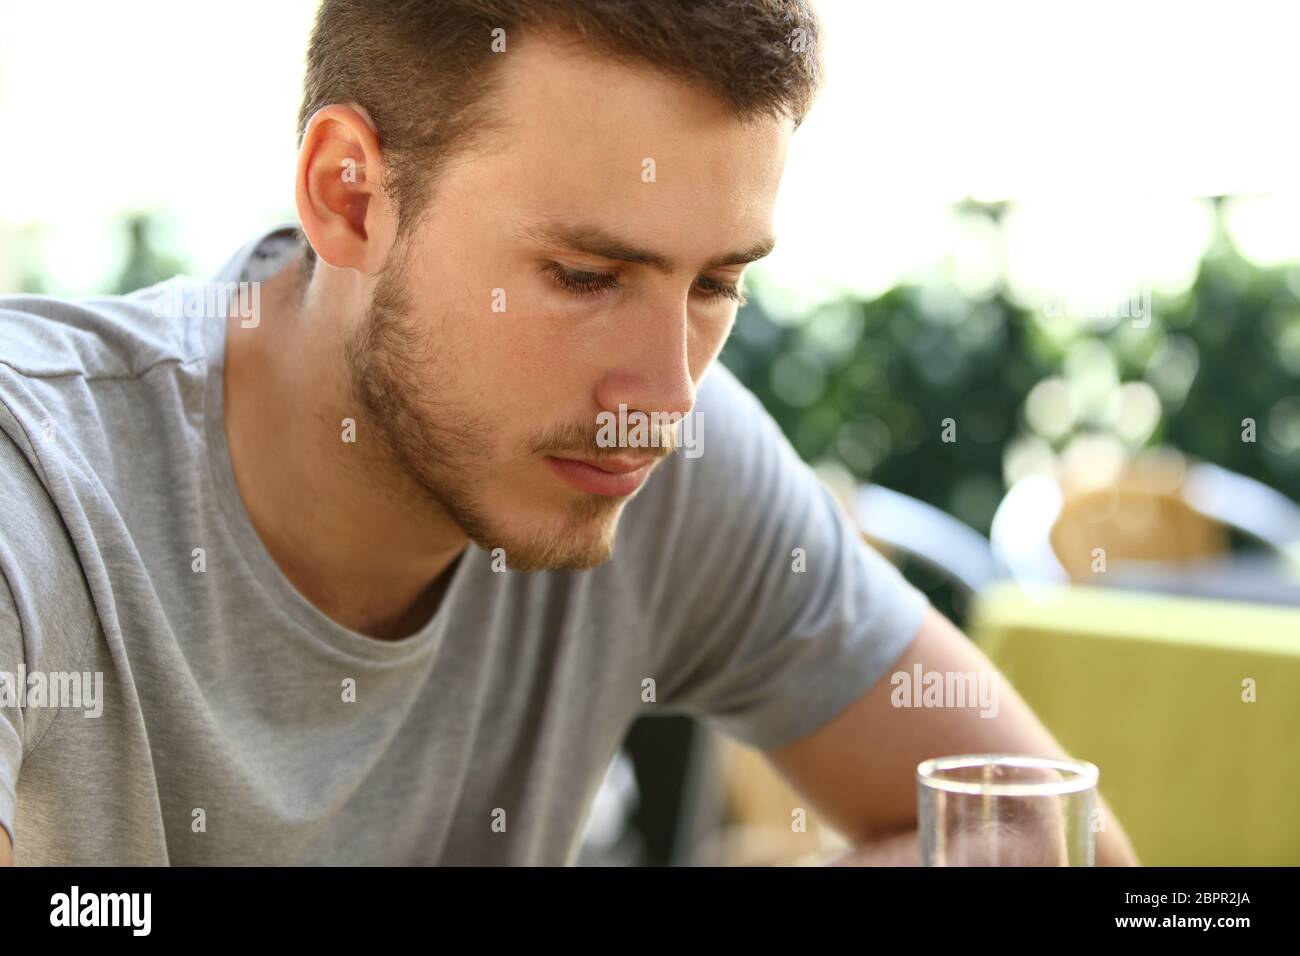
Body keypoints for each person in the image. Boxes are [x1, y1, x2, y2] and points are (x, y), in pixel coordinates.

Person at [0, 0, 1136, 866]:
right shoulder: (35, 487)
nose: (664, 394)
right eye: (585, 274)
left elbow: (1045, 835)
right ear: (350, 196)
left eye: (716, 285)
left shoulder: (665, 459)